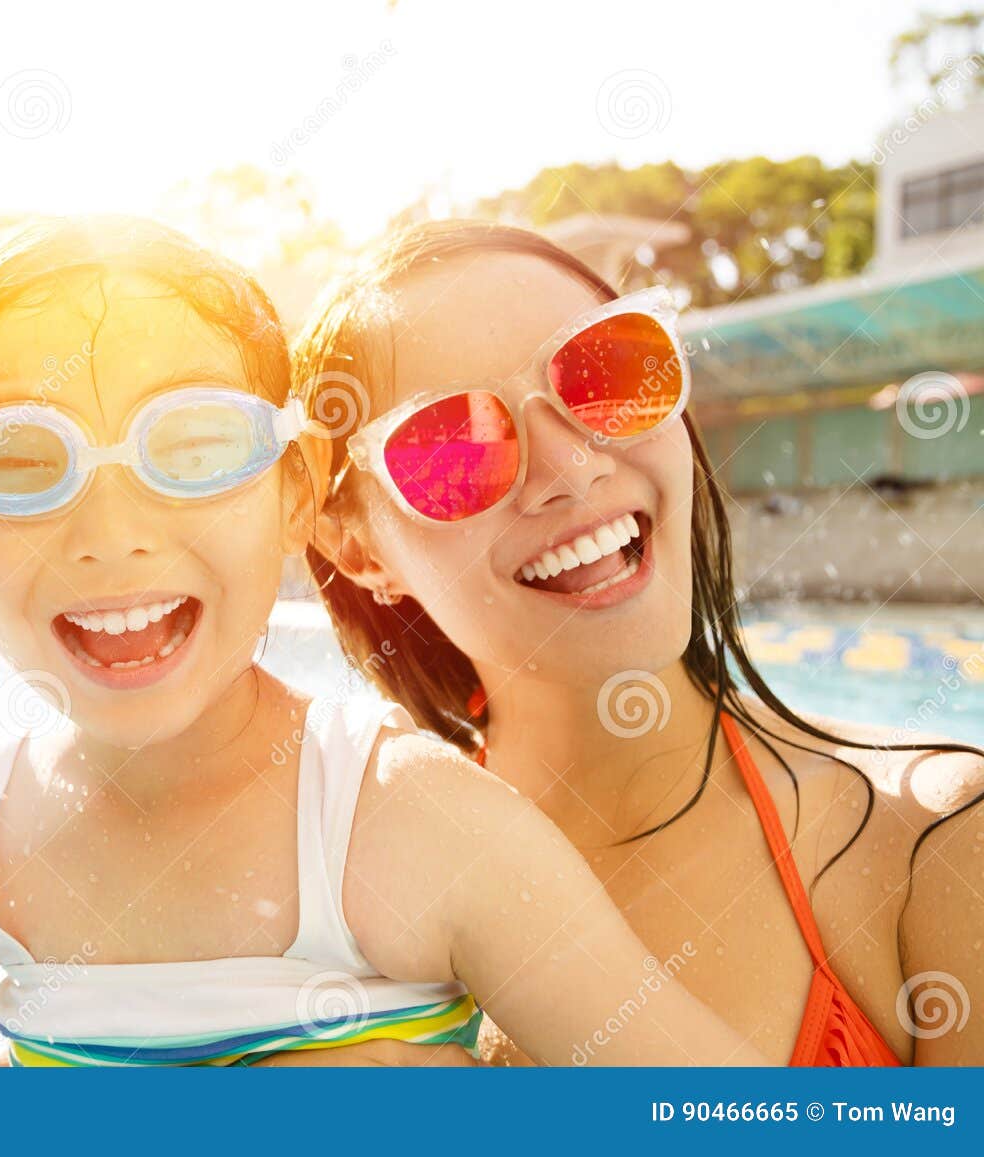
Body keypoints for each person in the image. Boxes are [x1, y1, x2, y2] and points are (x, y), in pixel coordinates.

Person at [0, 216, 766, 1067]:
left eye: (193, 444)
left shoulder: (415, 822)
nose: (110, 531)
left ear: (295, 490)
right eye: (18, 461)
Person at [295, 219, 984, 1066]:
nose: (574, 466)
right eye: (452, 444)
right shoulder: (336, 904)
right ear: (359, 551)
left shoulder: (933, 835)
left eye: (606, 373)